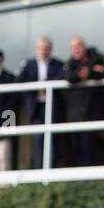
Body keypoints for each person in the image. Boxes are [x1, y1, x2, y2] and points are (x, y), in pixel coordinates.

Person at [63, 36, 104, 166]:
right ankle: (80, 178)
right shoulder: (69, 63)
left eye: (78, 46)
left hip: (92, 110)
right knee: (76, 145)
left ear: (84, 47)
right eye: (73, 47)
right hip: (75, 113)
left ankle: (89, 178)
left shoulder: (97, 58)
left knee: (89, 144)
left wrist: (89, 72)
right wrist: (81, 74)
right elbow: (68, 77)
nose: (75, 50)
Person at [18, 37, 64, 169]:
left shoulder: (58, 64)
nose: (43, 51)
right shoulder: (29, 64)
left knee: (53, 140)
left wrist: (46, 83)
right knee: (38, 139)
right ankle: (39, 172)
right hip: (36, 108)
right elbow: (20, 81)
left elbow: (61, 78)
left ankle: (52, 171)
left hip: (53, 107)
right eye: (40, 48)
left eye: (45, 48)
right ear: (36, 49)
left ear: (50, 49)